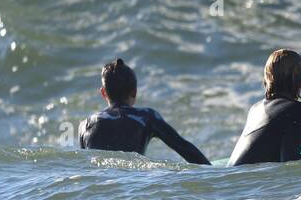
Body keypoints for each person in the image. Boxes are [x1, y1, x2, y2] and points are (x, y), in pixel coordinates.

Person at [78, 58, 210, 164]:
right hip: (131, 187)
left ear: (103, 93)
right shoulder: (146, 117)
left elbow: (85, 168)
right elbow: (184, 147)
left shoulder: (85, 125)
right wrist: (214, 174)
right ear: (134, 92)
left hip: (101, 190)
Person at [228, 48, 301, 166]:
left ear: (265, 81)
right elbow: (290, 163)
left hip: (228, 174)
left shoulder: (255, 109)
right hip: (244, 181)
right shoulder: (298, 110)